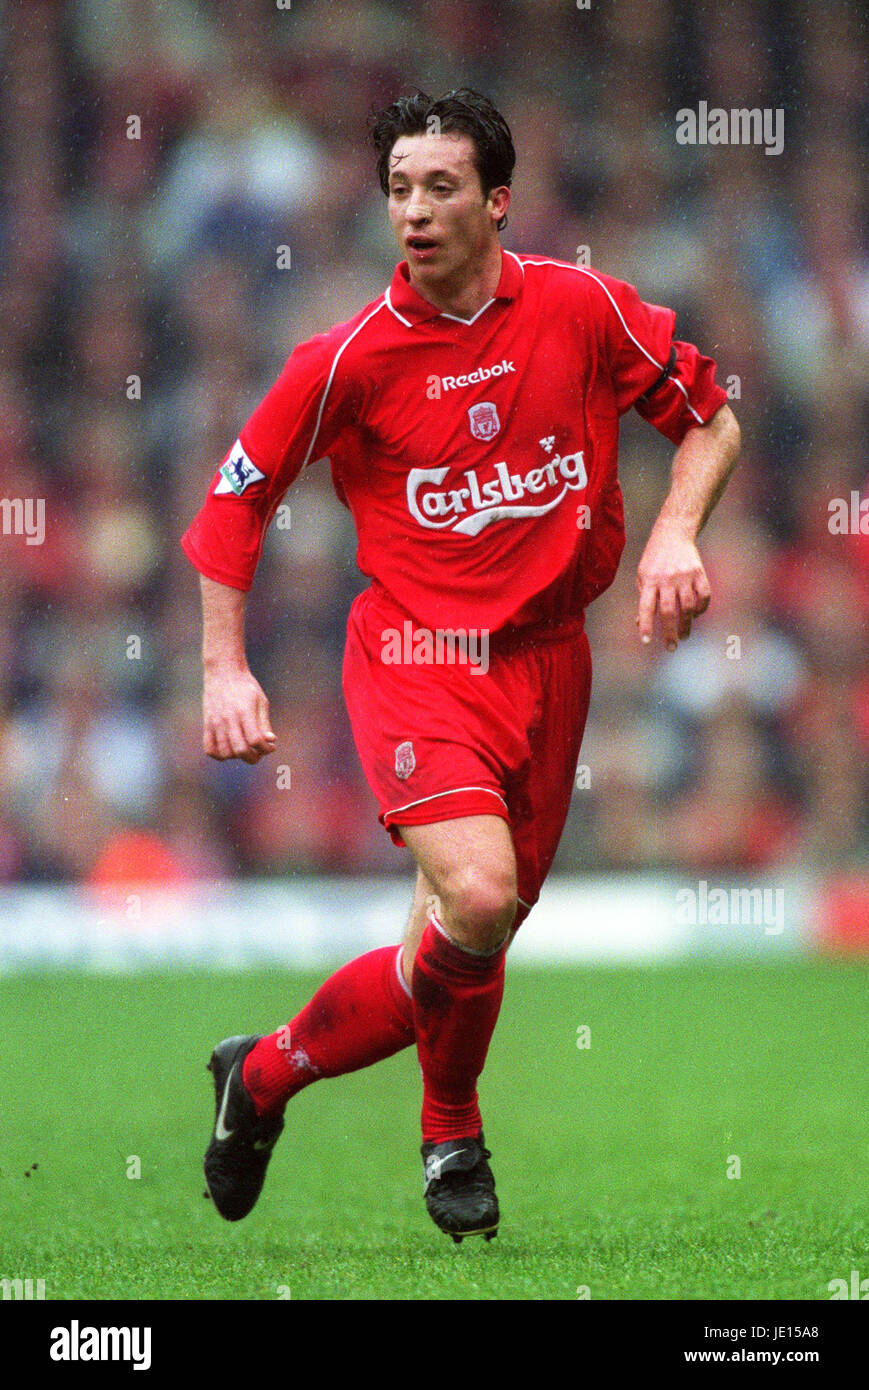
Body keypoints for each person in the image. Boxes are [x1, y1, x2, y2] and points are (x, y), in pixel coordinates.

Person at [181, 88, 740, 1243]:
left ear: (495, 202)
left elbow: (710, 417)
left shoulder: (582, 307)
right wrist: (223, 667)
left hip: (549, 660)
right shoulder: (344, 360)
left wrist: (679, 531)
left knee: (460, 934)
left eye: (438, 187)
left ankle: (266, 1076)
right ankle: (450, 1129)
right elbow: (235, 502)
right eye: (396, 189)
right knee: (476, 894)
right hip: (416, 658)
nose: (414, 210)